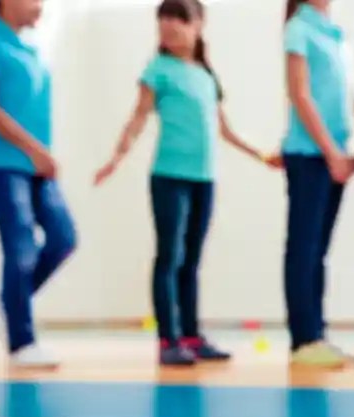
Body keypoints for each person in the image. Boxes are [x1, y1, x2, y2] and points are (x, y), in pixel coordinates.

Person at [95, 0, 277, 367]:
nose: (170, 28)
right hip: (170, 177)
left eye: (179, 20)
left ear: (198, 25)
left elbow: (224, 129)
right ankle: (168, 340)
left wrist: (261, 155)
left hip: (203, 179)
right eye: (163, 22)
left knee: (191, 261)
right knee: (170, 257)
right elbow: (138, 118)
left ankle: (192, 337)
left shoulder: (206, 75)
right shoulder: (157, 70)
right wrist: (117, 157)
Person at [0, 0, 75, 369]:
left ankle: (7, 302)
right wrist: (35, 149)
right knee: (21, 246)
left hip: (34, 166)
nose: (40, 5)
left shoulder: (27, 47)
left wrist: (39, 154)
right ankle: (21, 343)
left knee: (63, 238)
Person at [281, 0, 354, 368]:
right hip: (311, 155)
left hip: (335, 155)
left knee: (319, 251)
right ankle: (304, 338)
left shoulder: (335, 34)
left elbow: (341, 97)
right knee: (304, 248)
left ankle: (317, 334)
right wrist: (330, 152)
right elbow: (300, 94)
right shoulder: (298, 28)